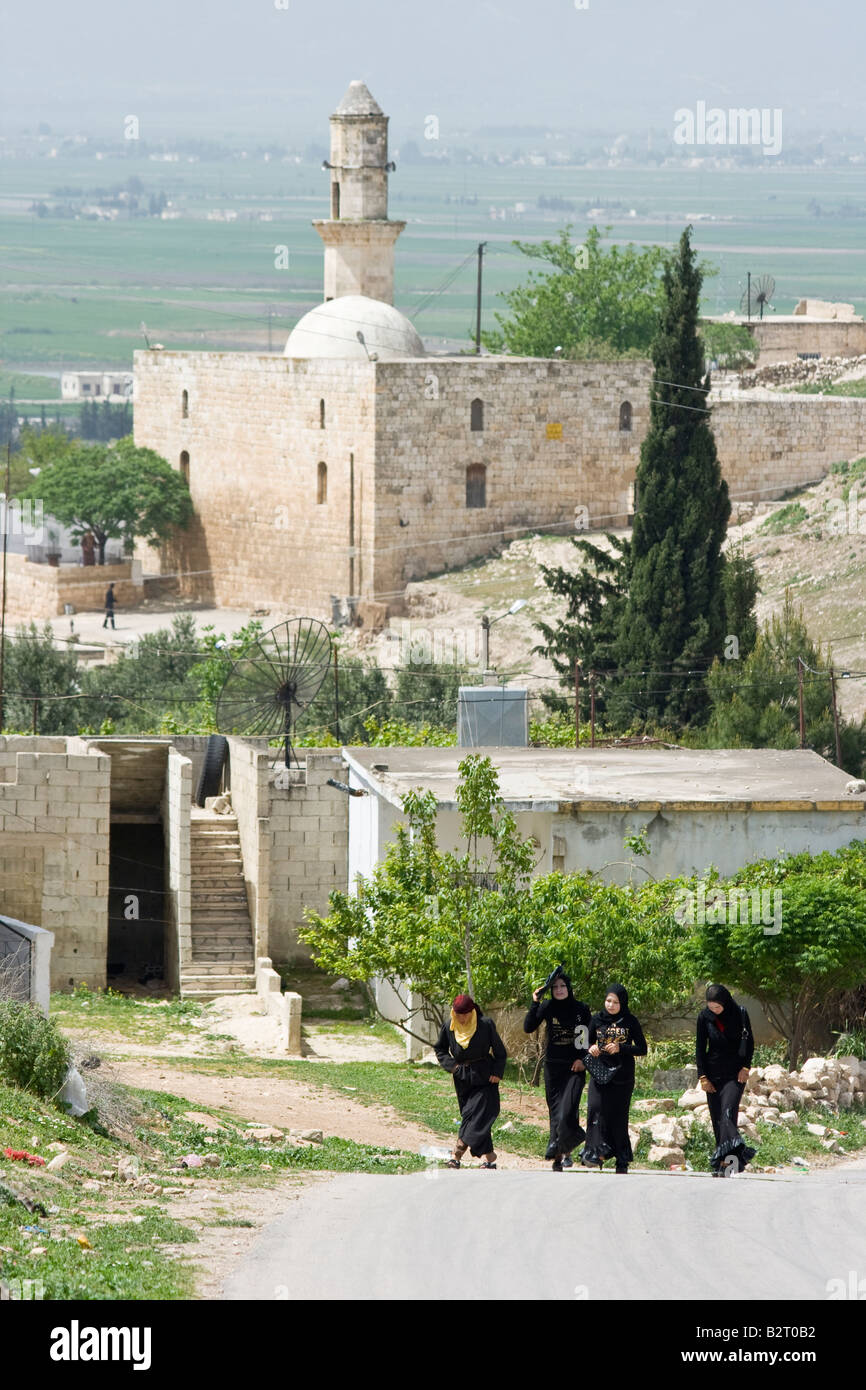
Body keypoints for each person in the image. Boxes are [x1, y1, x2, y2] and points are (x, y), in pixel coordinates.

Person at [524, 969, 591, 1171]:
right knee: (555, 1113)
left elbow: (586, 1040)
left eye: (563, 986)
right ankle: (558, 1156)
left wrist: (582, 1060)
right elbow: (528, 1027)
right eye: (555, 987)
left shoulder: (581, 1009)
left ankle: (573, 1139)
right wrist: (535, 1002)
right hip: (553, 1067)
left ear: (569, 988)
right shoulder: (548, 1006)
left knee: (567, 1110)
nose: (559, 990)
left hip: (574, 1068)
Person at [435, 993, 507, 1169]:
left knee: (475, 1115)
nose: (463, 1018)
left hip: (485, 1075)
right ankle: (489, 1157)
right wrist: (453, 1067)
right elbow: (440, 1049)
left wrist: (497, 1072)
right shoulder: (449, 1027)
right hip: (462, 1077)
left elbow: (500, 1052)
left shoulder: (485, 1024)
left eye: (466, 1014)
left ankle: (457, 1153)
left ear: (472, 1011)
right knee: (472, 1116)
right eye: (459, 1014)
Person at [581, 983, 647, 1174]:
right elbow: (583, 1040)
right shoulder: (597, 1019)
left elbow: (642, 1049)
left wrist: (621, 1048)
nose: (610, 1005)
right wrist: (590, 1048)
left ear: (622, 1003)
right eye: (608, 1000)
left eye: (615, 1002)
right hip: (599, 1074)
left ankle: (621, 1159)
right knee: (595, 1110)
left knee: (618, 1117)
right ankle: (594, 1153)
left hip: (622, 1076)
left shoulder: (630, 1021)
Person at [696, 984, 756, 1177]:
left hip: (735, 1074)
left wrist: (746, 1067)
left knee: (727, 1114)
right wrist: (702, 1076)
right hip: (713, 1075)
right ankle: (728, 1165)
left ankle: (729, 1158)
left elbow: (750, 1042)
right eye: (711, 1007)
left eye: (717, 1007)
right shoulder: (704, 1017)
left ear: (725, 1001)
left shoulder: (739, 1013)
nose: (714, 1011)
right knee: (717, 1119)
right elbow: (700, 1048)